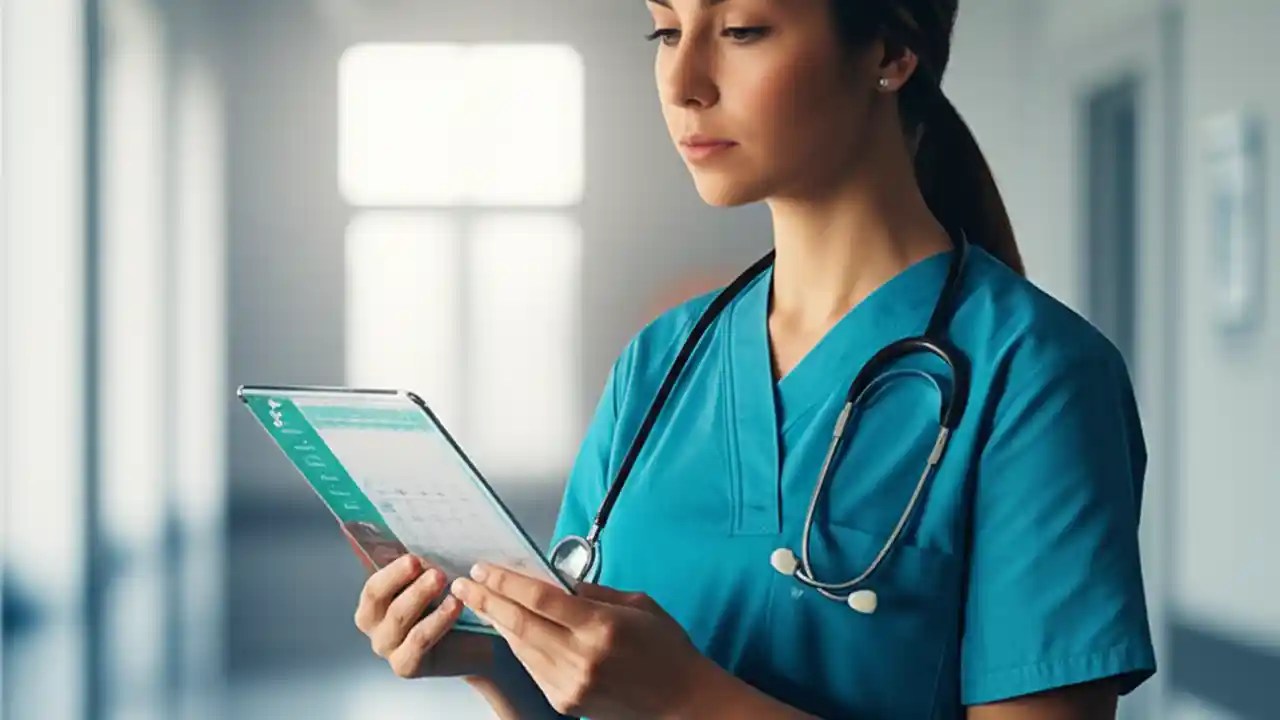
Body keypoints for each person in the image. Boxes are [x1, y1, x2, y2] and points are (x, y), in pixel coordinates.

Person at [351, 0, 1157, 717]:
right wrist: (502, 665)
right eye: (666, 31)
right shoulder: (659, 364)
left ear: (888, 52)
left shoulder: (1038, 376)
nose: (685, 82)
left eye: (741, 31)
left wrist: (687, 700)